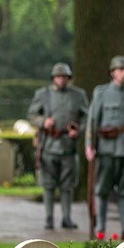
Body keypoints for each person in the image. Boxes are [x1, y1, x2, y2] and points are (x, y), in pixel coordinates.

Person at [84, 55, 124, 238]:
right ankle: (100, 228)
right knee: (102, 190)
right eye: (121, 69)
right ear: (112, 73)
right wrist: (89, 145)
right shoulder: (101, 93)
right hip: (107, 149)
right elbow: (92, 121)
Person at [29, 62, 89, 230]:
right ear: (53, 78)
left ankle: (67, 217)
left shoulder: (78, 95)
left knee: (67, 185)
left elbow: (86, 117)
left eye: (64, 77)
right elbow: (32, 114)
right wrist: (43, 122)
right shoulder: (43, 94)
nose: (61, 80)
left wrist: (78, 129)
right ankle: (49, 218)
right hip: (49, 144)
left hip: (68, 145)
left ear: (69, 78)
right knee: (48, 184)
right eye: (58, 77)